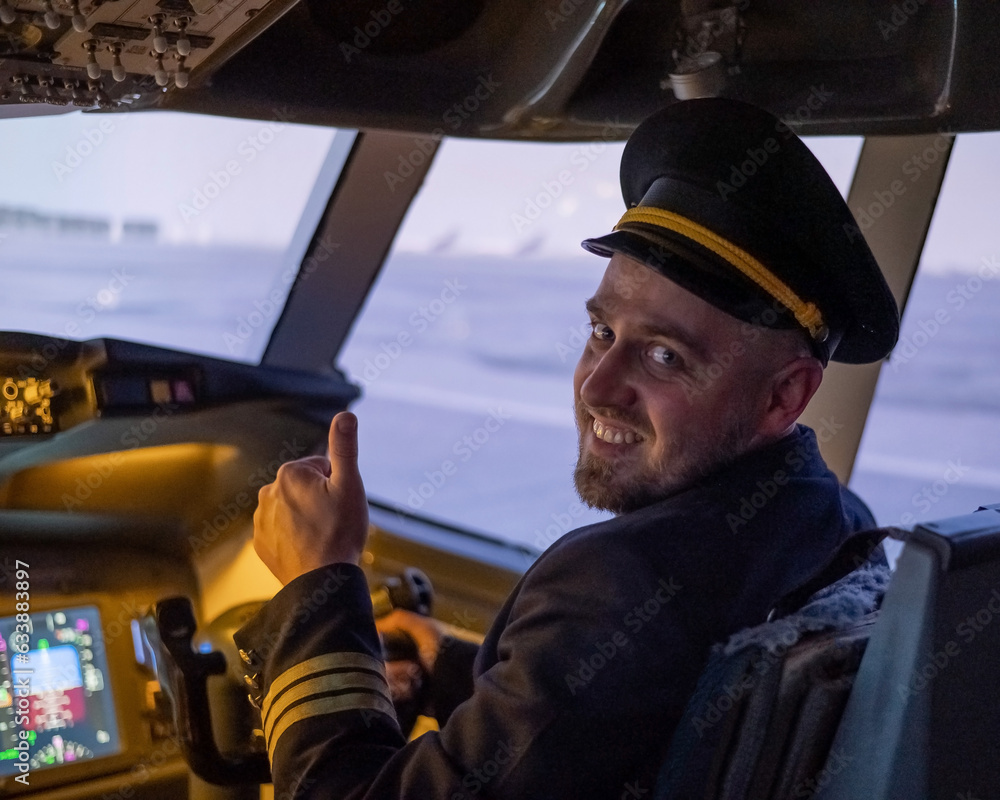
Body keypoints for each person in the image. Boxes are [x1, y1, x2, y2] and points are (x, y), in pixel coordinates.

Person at [234, 98, 899, 799]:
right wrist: (455, 668)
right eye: (602, 333)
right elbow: (636, 708)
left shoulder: (618, 583)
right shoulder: (836, 523)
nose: (598, 388)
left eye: (666, 357)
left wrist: (318, 583)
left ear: (782, 397)